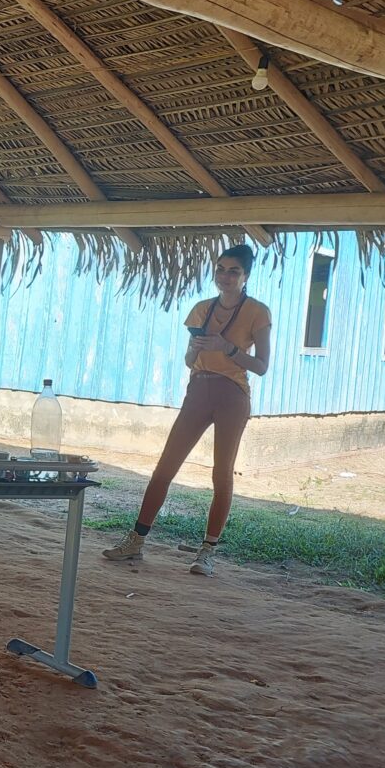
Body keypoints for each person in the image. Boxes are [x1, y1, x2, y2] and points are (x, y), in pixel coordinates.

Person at [102, 245, 271, 576]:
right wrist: (195, 350)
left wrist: (228, 348)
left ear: (246, 275)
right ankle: (136, 539)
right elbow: (188, 360)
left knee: (221, 472)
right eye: (220, 269)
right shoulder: (201, 309)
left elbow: (262, 366)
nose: (224, 276)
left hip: (232, 394)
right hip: (198, 390)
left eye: (233, 271)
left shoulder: (257, 312)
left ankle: (207, 551)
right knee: (165, 466)